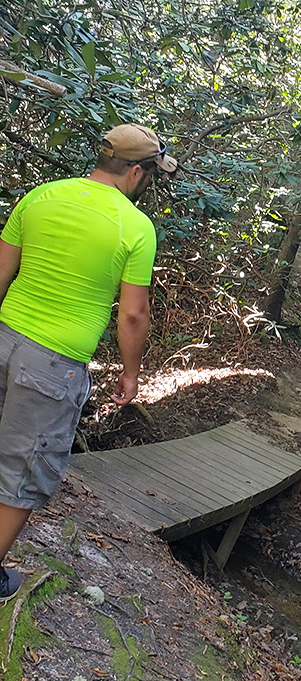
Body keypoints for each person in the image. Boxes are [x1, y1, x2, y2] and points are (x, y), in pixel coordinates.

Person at [0, 123, 177, 598]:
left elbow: (1, 271)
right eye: (150, 176)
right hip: (54, 364)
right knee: (23, 470)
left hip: (4, 335)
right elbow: (134, 315)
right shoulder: (135, 227)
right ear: (136, 171)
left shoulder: (41, 196)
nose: (148, 185)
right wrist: (131, 373)